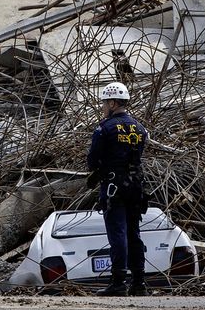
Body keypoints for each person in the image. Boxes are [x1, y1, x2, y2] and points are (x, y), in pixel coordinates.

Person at [86, 81, 149, 297]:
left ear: (113, 102)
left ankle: (118, 282)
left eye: (105, 103)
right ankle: (139, 282)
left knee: (118, 234)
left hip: (114, 186)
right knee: (134, 233)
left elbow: (92, 161)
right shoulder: (140, 128)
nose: (103, 106)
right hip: (135, 186)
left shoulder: (104, 129)